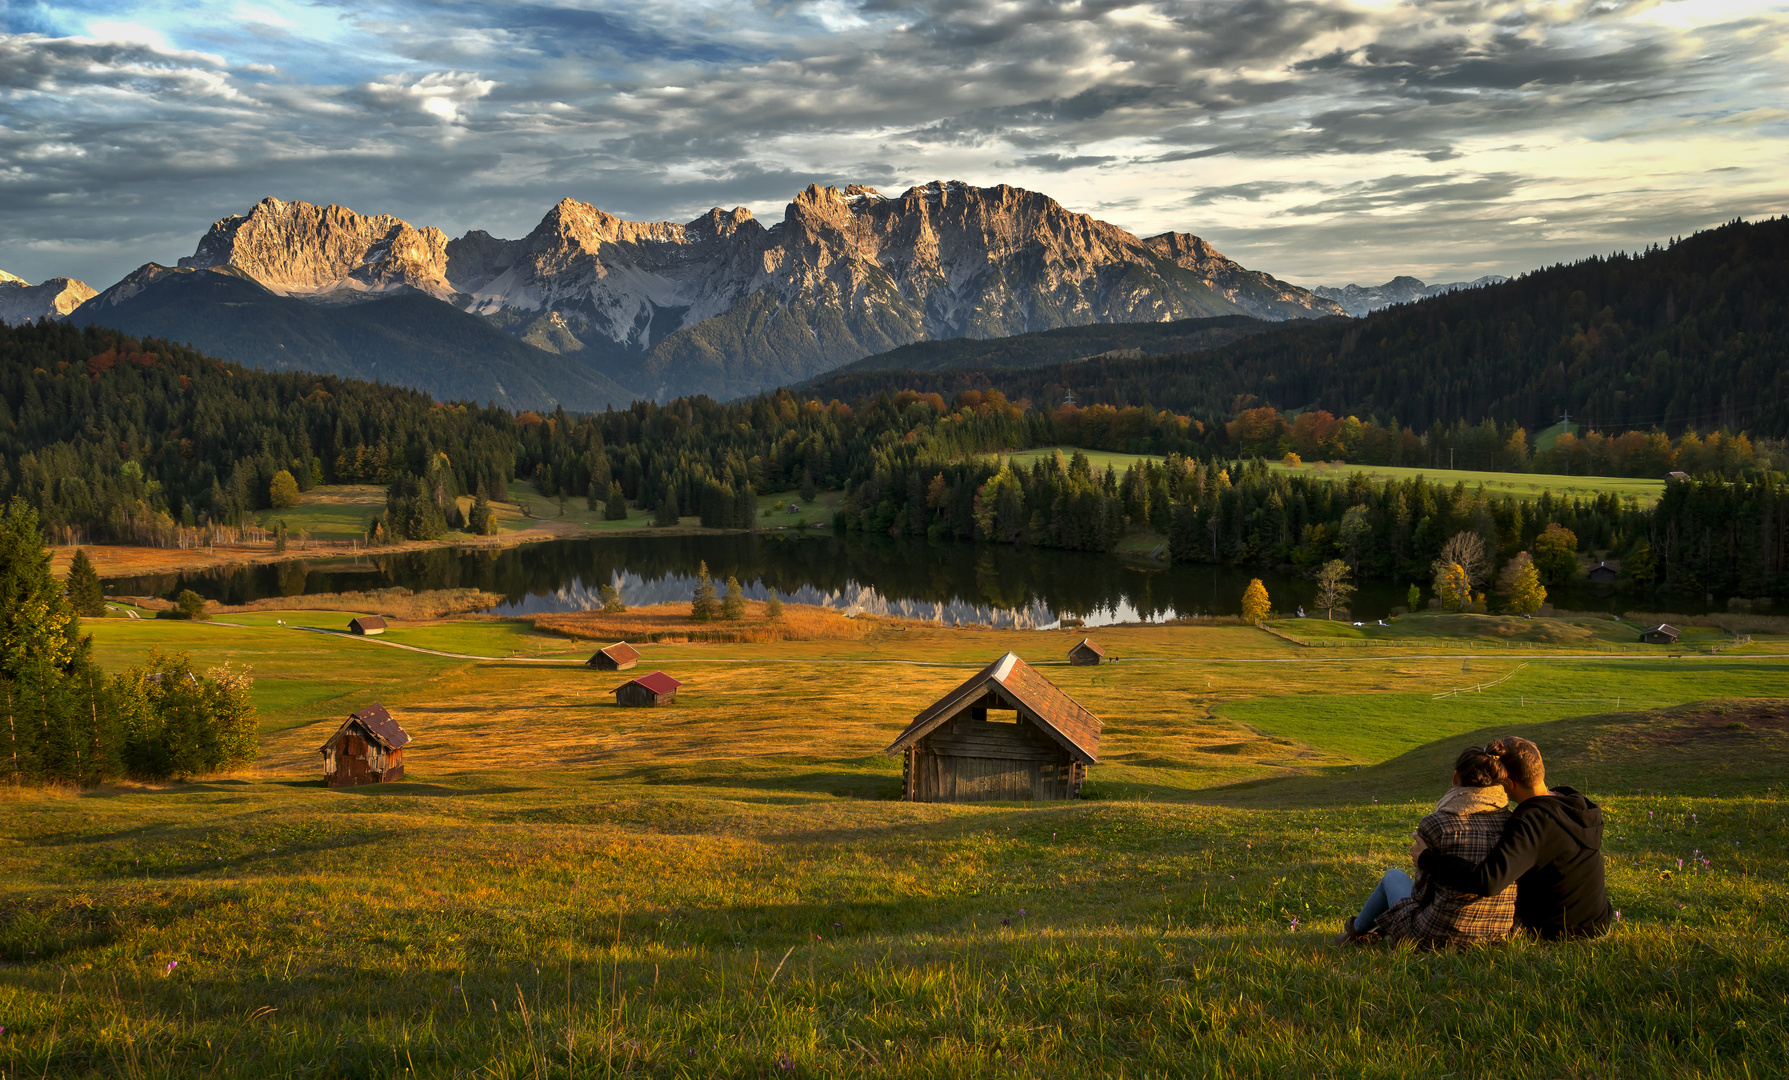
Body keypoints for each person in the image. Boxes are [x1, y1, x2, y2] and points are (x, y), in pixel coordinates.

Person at [1415, 735, 1613, 940]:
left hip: (1561, 933)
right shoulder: (1572, 803)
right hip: (1598, 923)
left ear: (1508, 783)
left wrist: (1426, 858)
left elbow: (1488, 881)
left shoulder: (1532, 821)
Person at [1336, 746, 1518, 947]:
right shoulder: (1513, 822)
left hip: (1434, 937)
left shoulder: (1436, 824)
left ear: (1455, 776)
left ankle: (1355, 932)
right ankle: (1361, 932)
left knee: (1393, 877)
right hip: (1495, 934)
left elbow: (1420, 895)